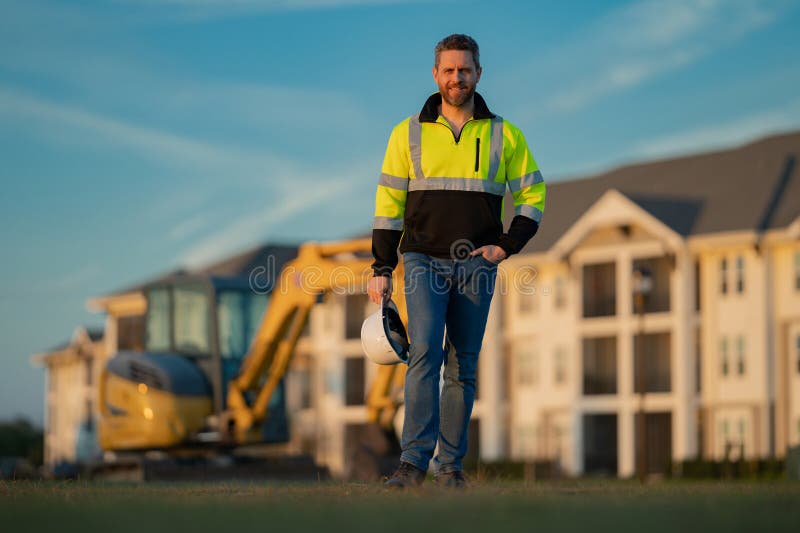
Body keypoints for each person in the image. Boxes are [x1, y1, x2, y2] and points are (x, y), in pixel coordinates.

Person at [367, 33, 546, 488]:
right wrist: (382, 267)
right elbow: (388, 203)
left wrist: (506, 246)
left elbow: (533, 195)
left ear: (478, 74)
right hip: (422, 258)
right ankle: (411, 465)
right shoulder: (406, 133)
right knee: (424, 351)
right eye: (448, 70)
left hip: (476, 264)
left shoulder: (505, 133)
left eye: (464, 70)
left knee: (462, 364)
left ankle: (450, 469)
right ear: (435, 75)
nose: (456, 78)